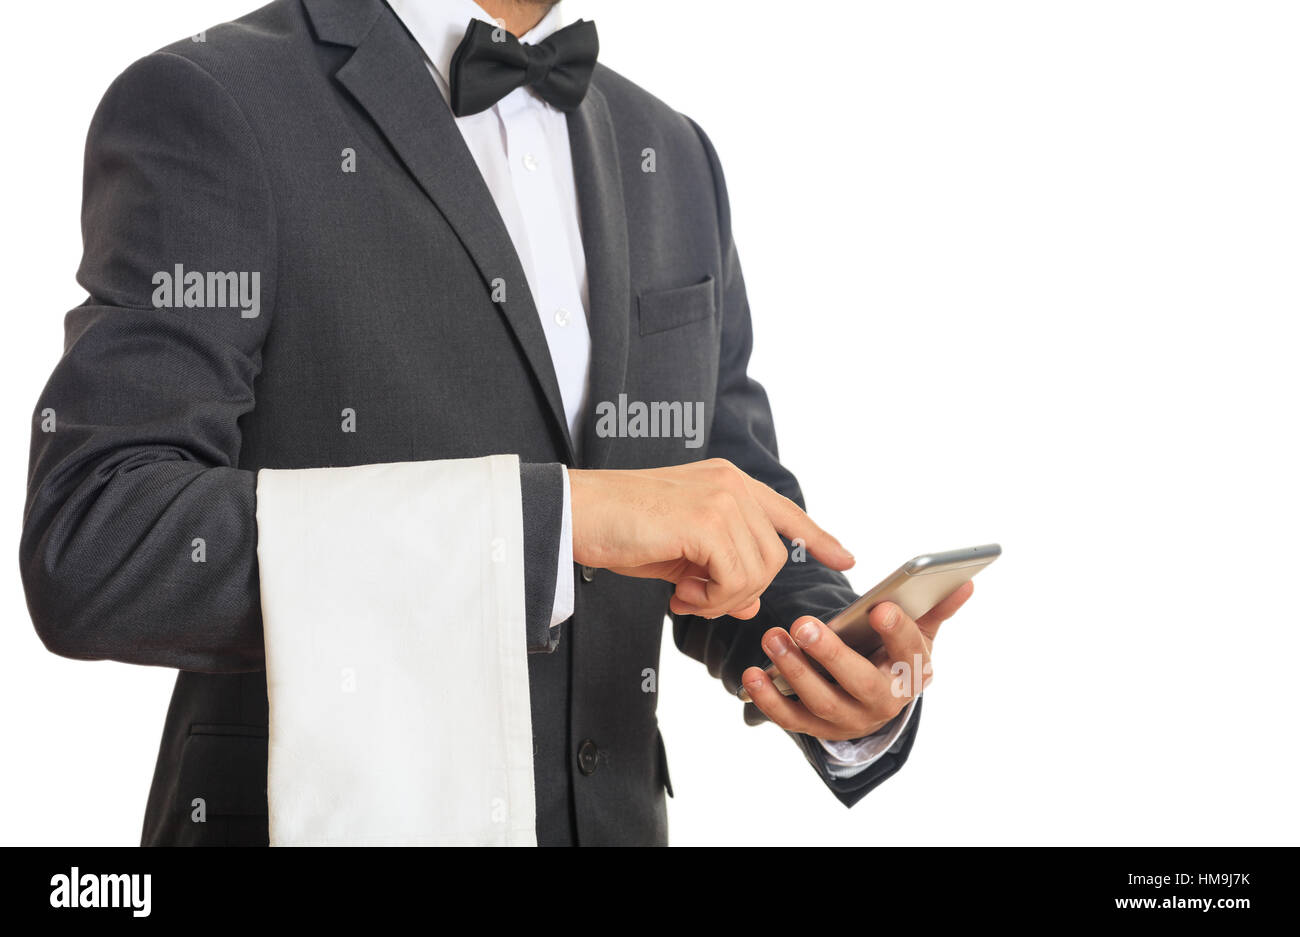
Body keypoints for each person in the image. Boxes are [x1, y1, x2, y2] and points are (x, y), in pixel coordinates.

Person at [20, 0, 972, 846]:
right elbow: (98, 540)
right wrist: (562, 521)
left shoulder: (672, 149)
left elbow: (721, 498)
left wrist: (830, 657)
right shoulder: (211, 100)